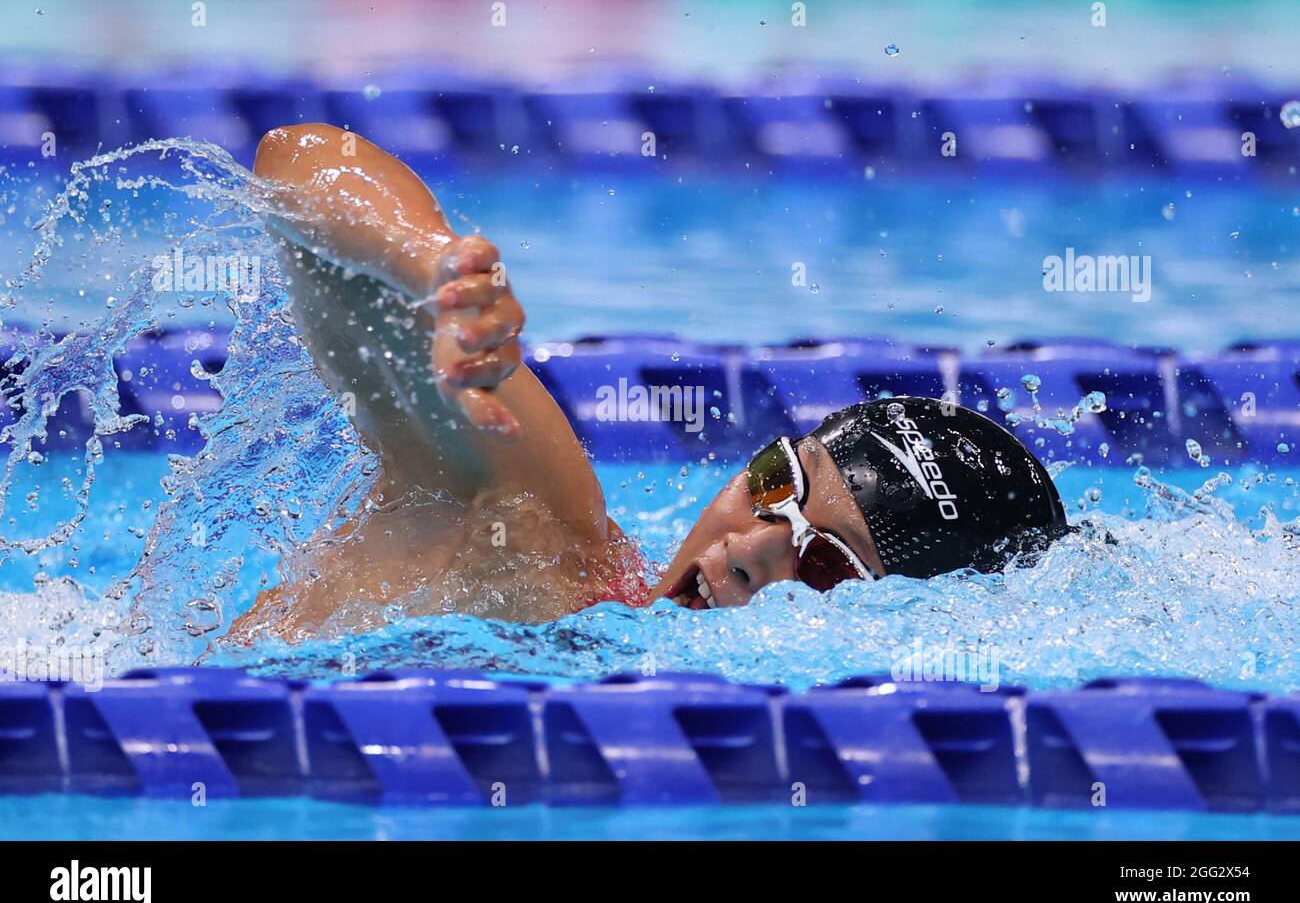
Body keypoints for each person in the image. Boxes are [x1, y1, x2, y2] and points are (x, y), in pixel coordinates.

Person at [226, 123, 1068, 642]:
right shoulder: (538, 540)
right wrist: (431, 270)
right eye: (777, 485)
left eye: (825, 568)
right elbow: (299, 159)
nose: (751, 547)